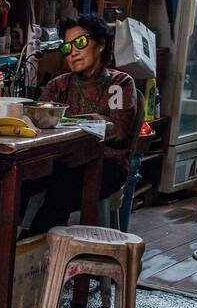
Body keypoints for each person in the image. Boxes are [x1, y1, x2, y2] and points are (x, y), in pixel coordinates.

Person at [26, 12, 138, 232]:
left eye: (80, 42)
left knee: (59, 193)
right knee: (13, 186)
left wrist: (75, 123)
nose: (73, 52)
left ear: (101, 44)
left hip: (107, 165)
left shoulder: (118, 83)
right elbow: (39, 121)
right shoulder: (59, 85)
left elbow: (118, 130)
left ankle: (34, 252)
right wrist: (96, 120)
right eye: (67, 47)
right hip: (62, 162)